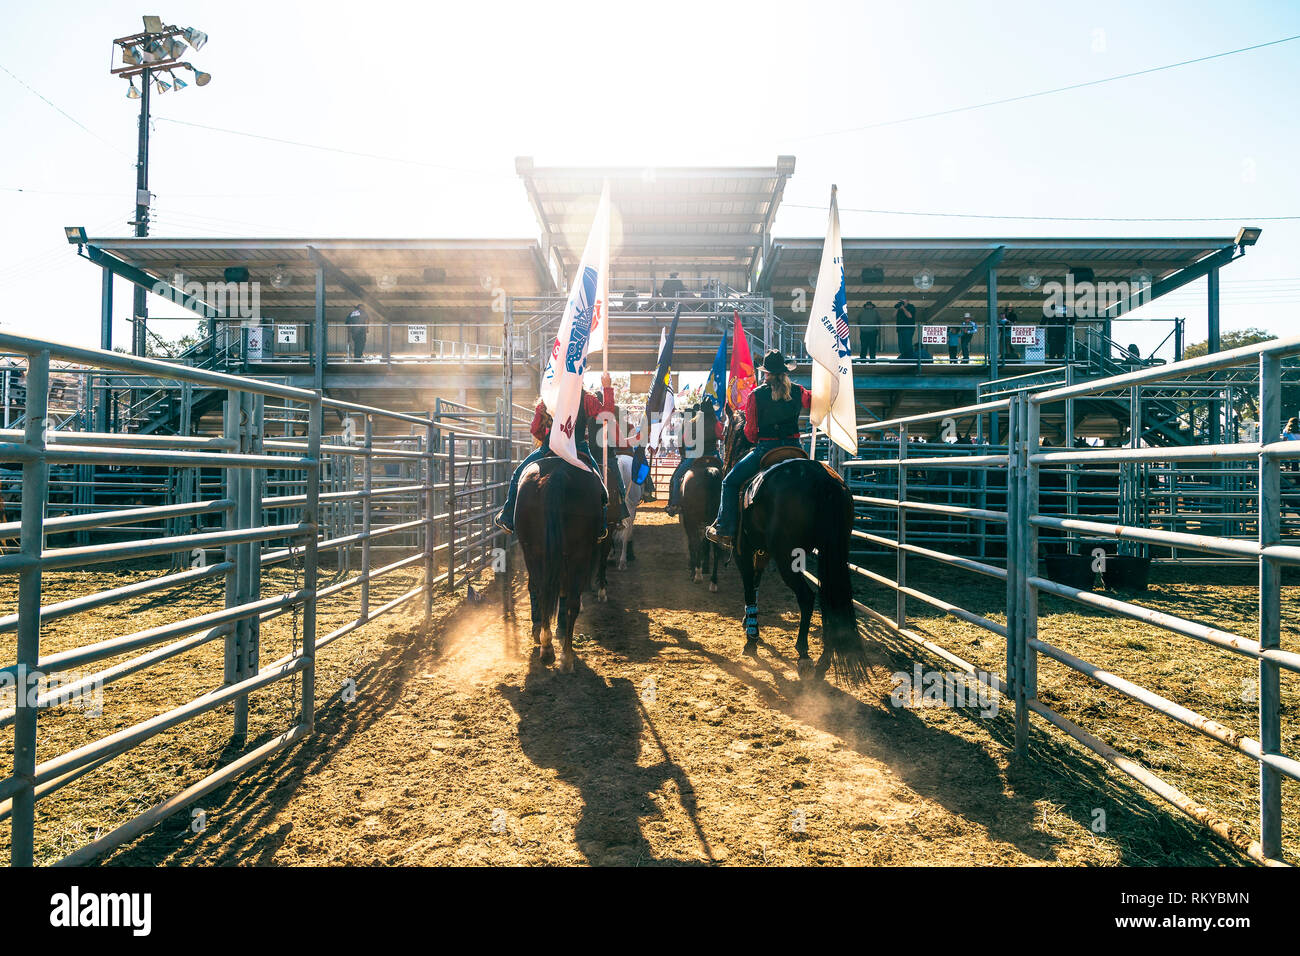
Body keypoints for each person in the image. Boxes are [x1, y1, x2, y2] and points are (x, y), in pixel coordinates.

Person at [494, 372, 627, 535]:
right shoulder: (586, 398)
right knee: (599, 484)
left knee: (518, 475)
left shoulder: (548, 399)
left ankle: (508, 518)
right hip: (578, 448)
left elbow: (535, 429)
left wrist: (547, 440)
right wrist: (607, 387)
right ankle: (601, 527)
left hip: (550, 447)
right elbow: (607, 416)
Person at [705, 350, 809, 550]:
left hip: (767, 448)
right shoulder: (799, 391)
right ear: (785, 371)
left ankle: (725, 529)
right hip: (795, 448)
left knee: (729, 482)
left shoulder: (756, 395)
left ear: (766, 373)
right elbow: (813, 402)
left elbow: (751, 433)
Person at [665, 398, 725, 517]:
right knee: (726, 475)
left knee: (677, 477)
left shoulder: (692, 422)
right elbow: (722, 436)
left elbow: (685, 440)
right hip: (713, 454)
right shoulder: (715, 423)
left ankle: (675, 504)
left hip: (695, 455)